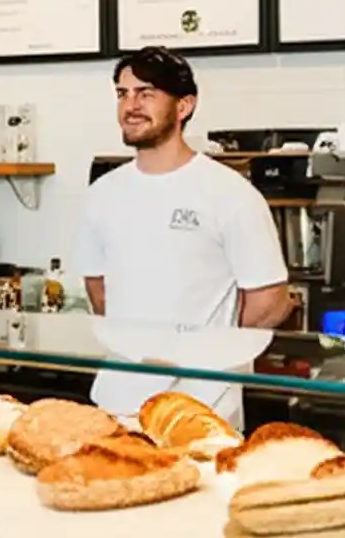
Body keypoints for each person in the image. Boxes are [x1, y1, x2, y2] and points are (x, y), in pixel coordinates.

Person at [74, 46, 294, 428]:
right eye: (122, 94)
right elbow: (99, 293)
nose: (131, 105)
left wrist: (209, 344)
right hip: (118, 406)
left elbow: (269, 303)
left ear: (184, 106)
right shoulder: (101, 194)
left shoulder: (230, 194)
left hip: (204, 409)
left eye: (147, 93)